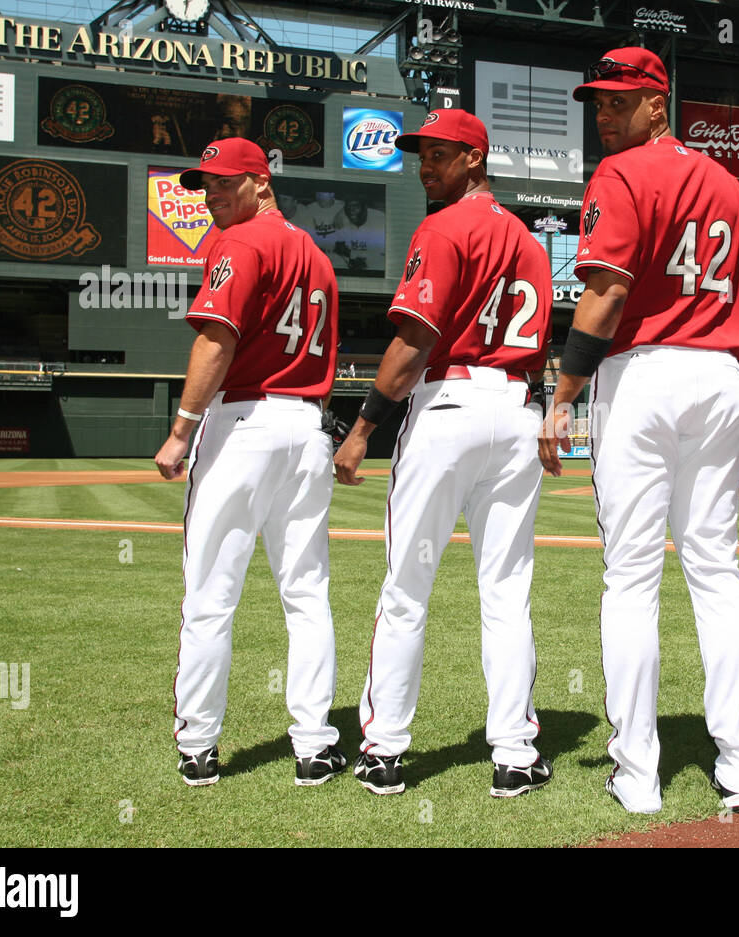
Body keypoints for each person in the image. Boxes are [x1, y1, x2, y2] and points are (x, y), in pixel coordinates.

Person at [538, 47, 739, 815]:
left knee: (632, 577)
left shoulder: (622, 175)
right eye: (597, 103)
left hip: (640, 374)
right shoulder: (730, 185)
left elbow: (604, 294)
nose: (602, 116)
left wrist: (562, 394)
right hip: (717, 371)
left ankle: (638, 771)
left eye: (616, 102)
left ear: (656, 103)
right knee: (716, 568)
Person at [334, 109, 555, 798]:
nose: (425, 164)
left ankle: (384, 751)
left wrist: (364, 426)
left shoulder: (443, 227)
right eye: (421, 153)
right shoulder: (531, 243)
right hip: (516, 409)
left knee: (405, 588)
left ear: (475, 159)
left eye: (440, 153)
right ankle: (515, 753)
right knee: (506, 591)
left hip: (450, 405)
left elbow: (412, 344)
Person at [154, 137, 344, 787]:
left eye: (223, 184)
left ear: (260, 183)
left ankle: (199, 746)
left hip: (244, 423)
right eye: (203, 186)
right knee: (307, 592)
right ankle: (315, 744)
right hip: (307, 428)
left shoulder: (238, 244)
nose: (210, 197)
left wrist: (181, 429)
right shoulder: (316, 255)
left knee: (210, 595)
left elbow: (217, 337)